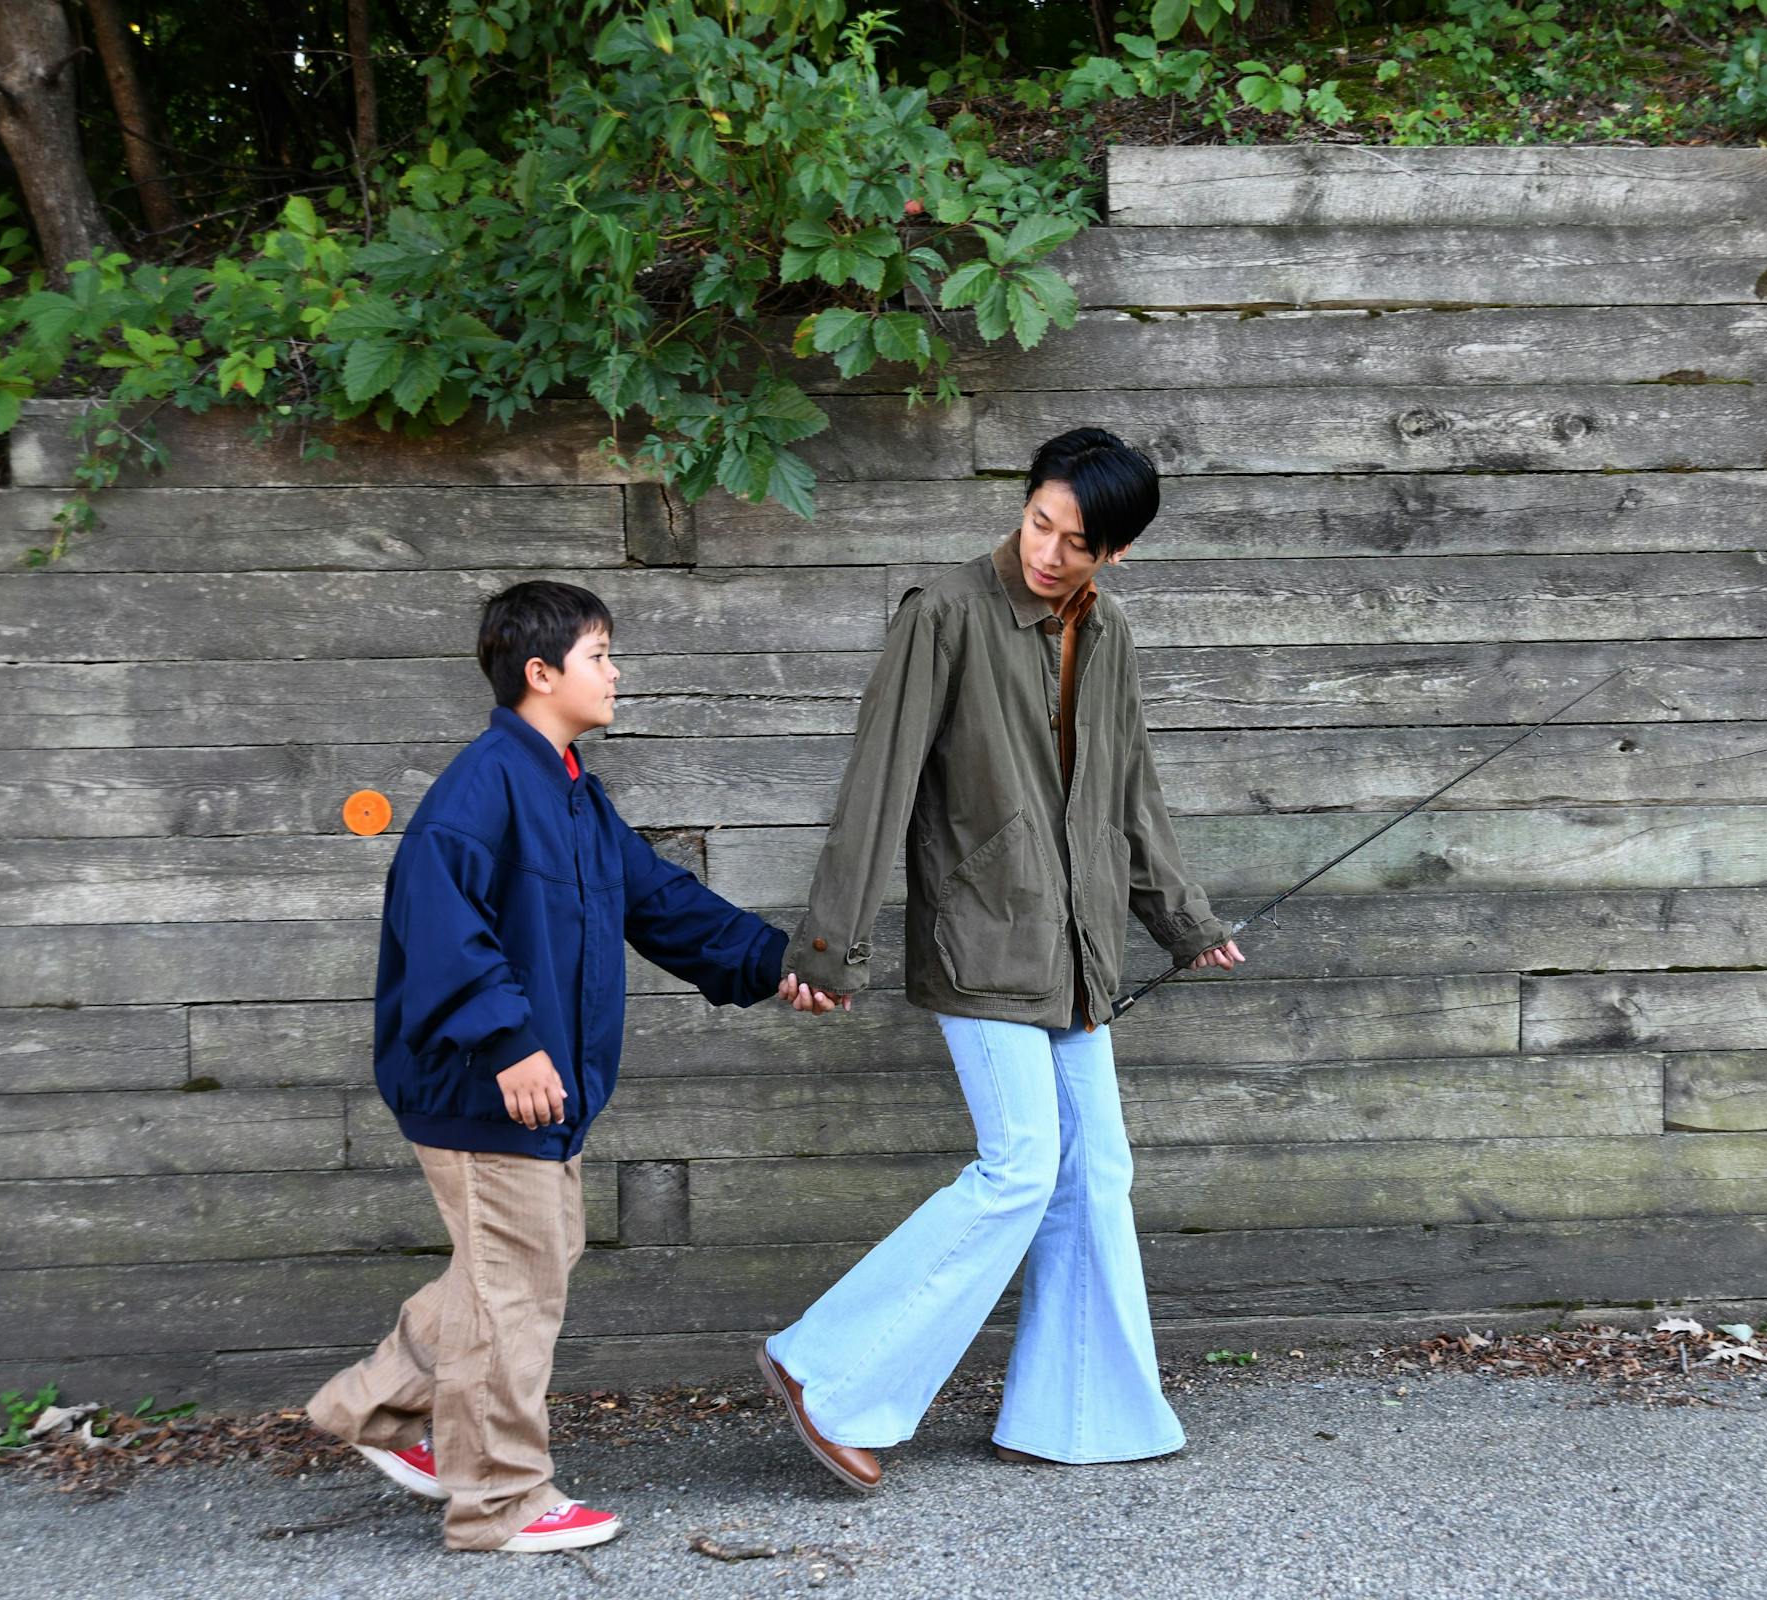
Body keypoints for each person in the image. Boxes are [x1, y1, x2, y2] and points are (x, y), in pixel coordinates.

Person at [762, 427, 1244, 1489]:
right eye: (1039, 523)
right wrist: (830, 948)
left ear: (1116, 553)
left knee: (1096, 1172)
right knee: (1024, 1164)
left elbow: (1131, 787)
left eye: (1076, 542)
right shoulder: (943, 614)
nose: (1048, 552)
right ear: (1023, 505)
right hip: (980, 936)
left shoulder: (1108, 631)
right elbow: (877, 785)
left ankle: (1079, 1413)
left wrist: (1185, 918)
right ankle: (827, 1371)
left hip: (1076, 952)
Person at [307, 580, 801, 1553]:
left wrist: (775, 962)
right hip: (486, 1084)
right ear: (541, 673)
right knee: (519, 1284)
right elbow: (441, 926)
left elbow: (657, 899)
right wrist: (510, 1043)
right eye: (599, 654)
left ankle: (375, 1407)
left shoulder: (571, 789)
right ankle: (499, 1498)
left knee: (520, 1264)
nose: (615, 672)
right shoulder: (484, 786)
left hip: (539, 1085)